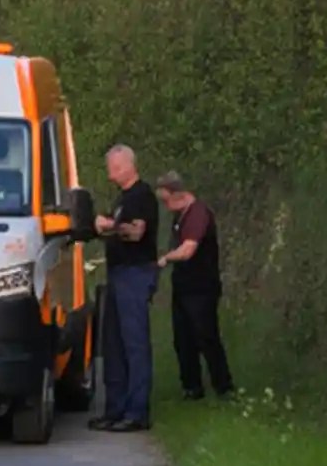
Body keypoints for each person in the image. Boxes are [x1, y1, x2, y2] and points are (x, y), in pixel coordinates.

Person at [88, 144, 159, 433]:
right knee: (113, 343)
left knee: (134, 343)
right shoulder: (123, 199)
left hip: (136, 274)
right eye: (109, 167)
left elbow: (136, 232)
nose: (110, 172)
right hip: (117, 273)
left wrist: (108, 226)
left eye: (114, 166)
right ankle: (114, 409)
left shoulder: (142, 195)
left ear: (128, 165)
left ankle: (136, 412)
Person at [155, 171, 234, 400]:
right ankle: (191, 387)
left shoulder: (197, 214)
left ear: (178, 194)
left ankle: (223, 386)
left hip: (201, 287)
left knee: (206, 336)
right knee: (183, 339)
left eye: (166, 200)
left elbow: (188, 249)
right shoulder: (179, 216)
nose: (166, 206)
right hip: (183, 286)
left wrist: (166, 258)